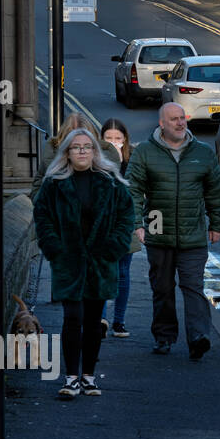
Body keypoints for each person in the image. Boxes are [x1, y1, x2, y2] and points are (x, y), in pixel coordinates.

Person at [33, 128, 134, 398]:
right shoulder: (54, 183)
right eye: (76, 147)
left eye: (86, 147)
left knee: (92, 321)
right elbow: (42, 217)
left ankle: (88, 376)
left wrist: (114, 247)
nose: (81, 151)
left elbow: (127, 215)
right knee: (72, 317)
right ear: (67, 152)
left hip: (100, 261)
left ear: (94, 151)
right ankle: (70, 378)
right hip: (69, 261)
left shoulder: (110, 181)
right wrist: (54, 248)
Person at [127, 103, 220, 359]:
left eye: (183, 118)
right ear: (162, 123)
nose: (181, 123)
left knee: (193, 286)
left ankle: (198, 337)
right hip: (159, 230)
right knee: (162, 287)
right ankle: (164, 337)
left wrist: (217, 223)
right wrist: (137, 224)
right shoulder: (145, 152)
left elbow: (215, 191)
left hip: (193, 234)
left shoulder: (202, 153)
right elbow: (134, 190)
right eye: (174, 119)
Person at [99, 119, 140, 338]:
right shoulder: (96, 160)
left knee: (123, 274)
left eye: (118, 138)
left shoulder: (132, 160)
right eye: (109, 138)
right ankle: (102, 320)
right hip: (103, 228)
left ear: (125, 140)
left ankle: (119, 322)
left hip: (126, 226)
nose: (114, 143)